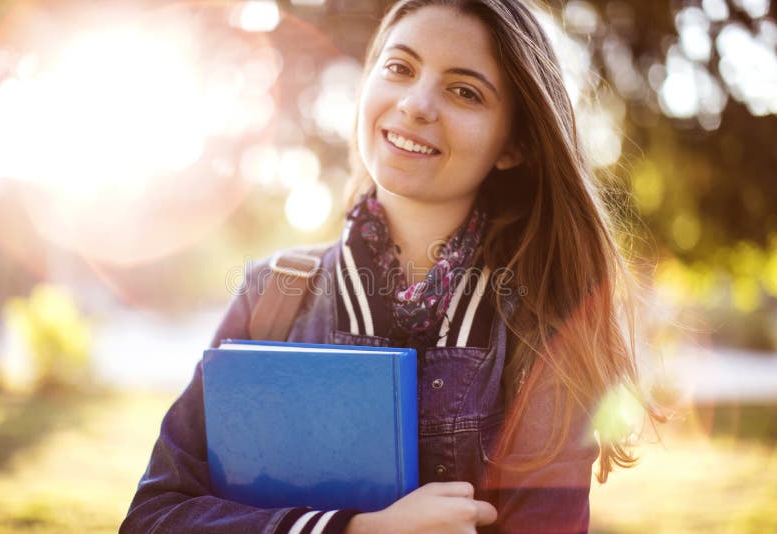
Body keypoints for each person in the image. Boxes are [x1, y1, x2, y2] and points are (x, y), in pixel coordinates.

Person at [122, 0, 659, 532]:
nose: (416, 104)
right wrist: (356, 529)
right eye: (400, 67)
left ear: (514, 144)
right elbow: (155, 516)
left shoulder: (544, 324)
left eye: (464, 91)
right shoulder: (271, 293)